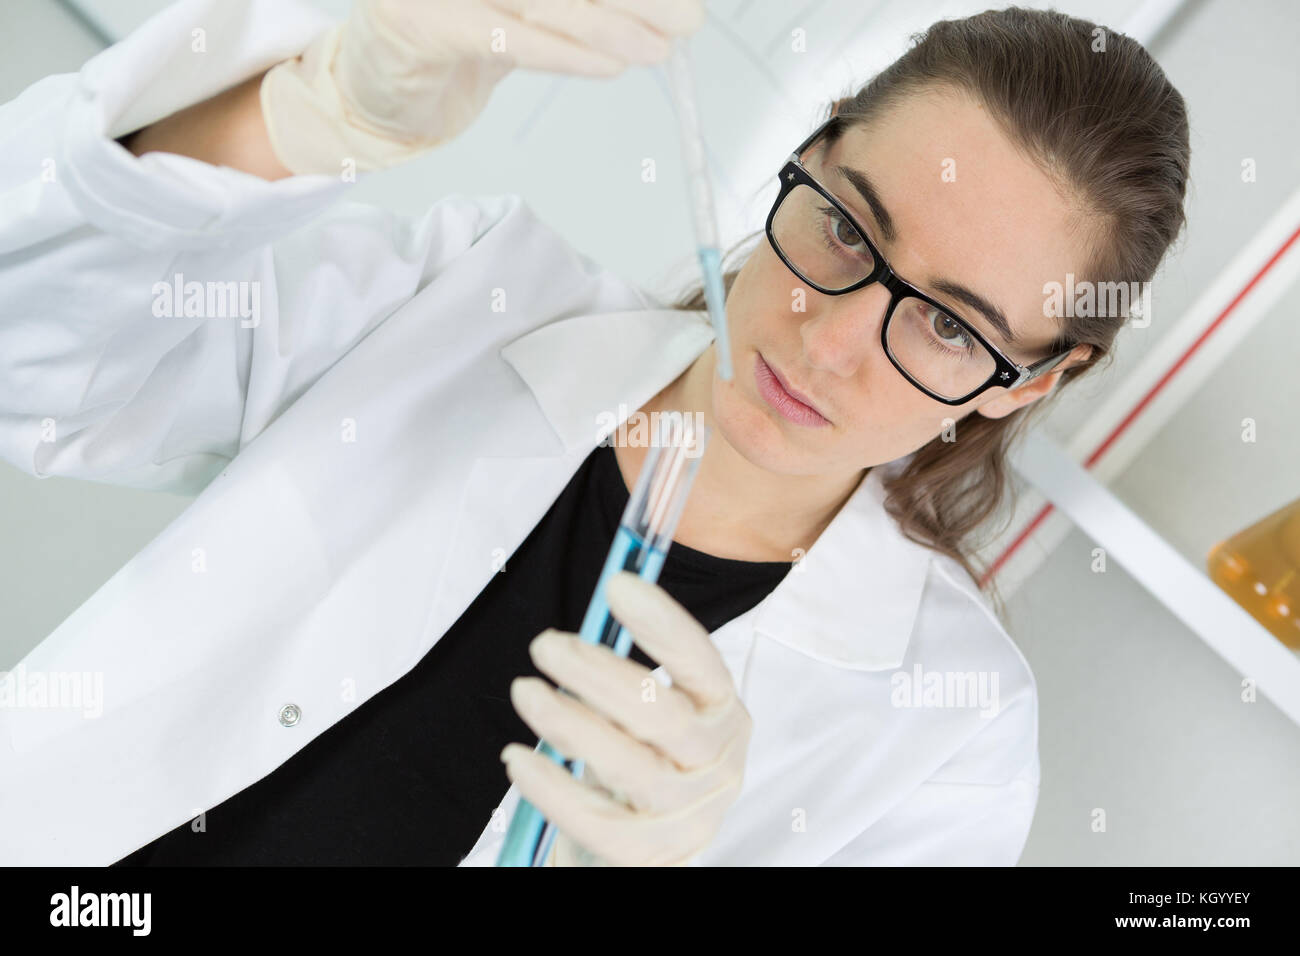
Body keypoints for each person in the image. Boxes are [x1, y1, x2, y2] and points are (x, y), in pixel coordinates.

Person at [0, 0, 1189, 866]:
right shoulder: (468, 296)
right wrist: (301, 115)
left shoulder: (949, 737)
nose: (828, 339)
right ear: (813, 147)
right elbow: (33, 357)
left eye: (943, 324)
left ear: (1028, 383)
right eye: (843, 226)